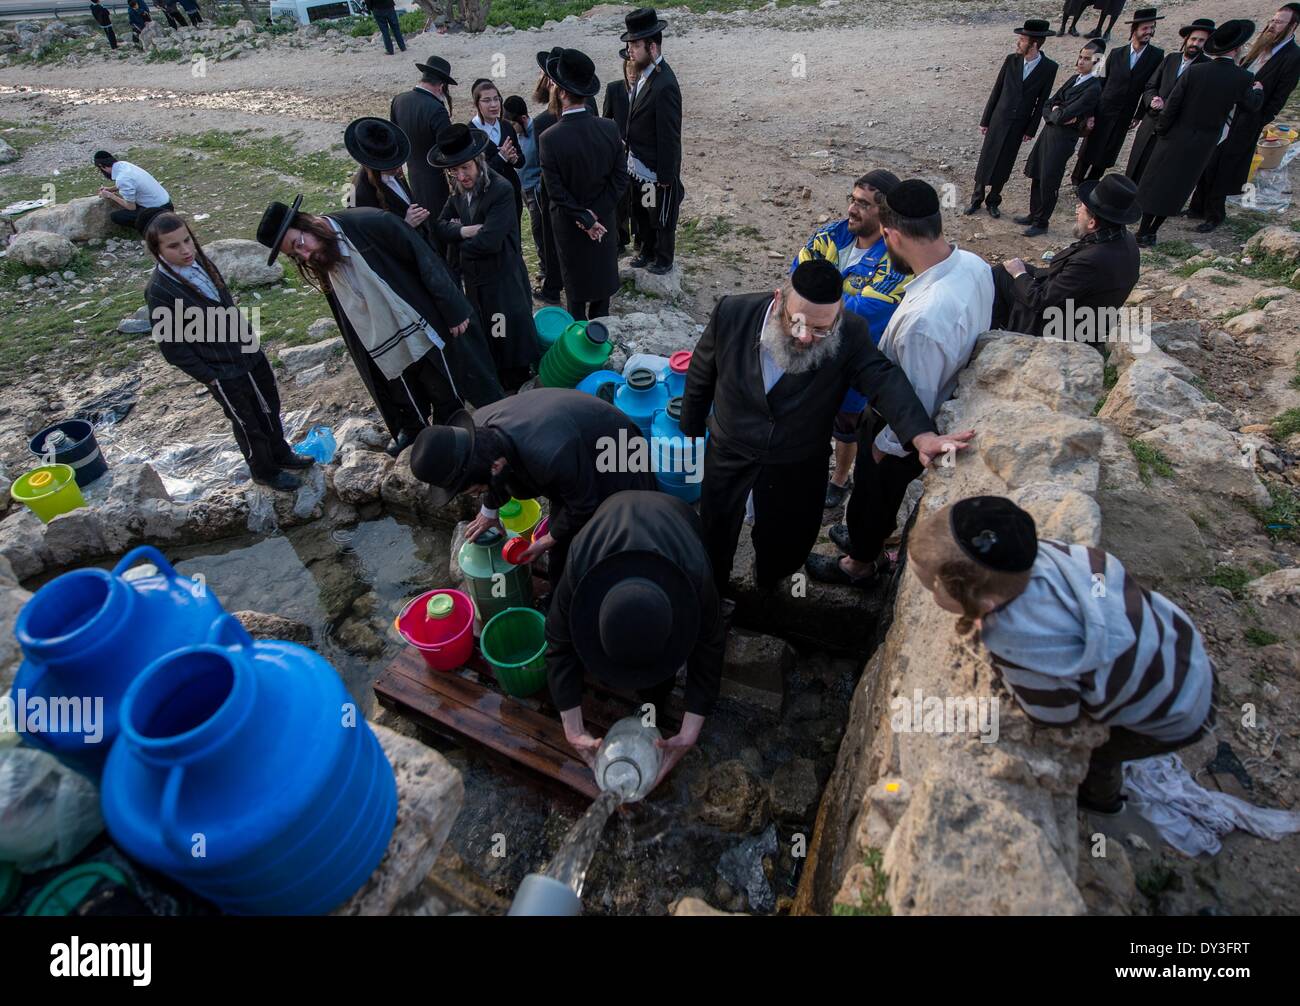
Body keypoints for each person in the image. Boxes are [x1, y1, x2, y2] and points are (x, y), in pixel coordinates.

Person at [681, 256, 973, 596]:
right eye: (798, 323)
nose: (806, 338)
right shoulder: (733, 313)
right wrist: (690, 433)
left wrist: (921, 436)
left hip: (797, 462)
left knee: (786, 542)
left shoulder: (850, 333)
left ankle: (769, 588)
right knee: (716, 531)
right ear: (779, 301)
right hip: (730, 449)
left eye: (822, 330)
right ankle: (713, 596)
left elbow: (882, 379)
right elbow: (701, 373)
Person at [908, 495, 1215, 816]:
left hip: (1176, 713)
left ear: (983, 602)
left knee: (1100, 755)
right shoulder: (1046, 554)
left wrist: (1015, 688)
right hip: (1185, 655)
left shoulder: (1016, 638)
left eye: (933, 590)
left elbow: (1055, 715)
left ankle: (1103, 804)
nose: (931, 598)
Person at [808, 180, 993, 589]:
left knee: (876, 497)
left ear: (890, 234)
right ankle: (860, 538)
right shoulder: (974, 265)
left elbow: (916, 399)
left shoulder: (924, 321)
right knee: (869, 503)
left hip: (898, 430)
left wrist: (883, 446)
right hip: (940, 397)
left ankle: (859, 563)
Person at [256, 196, 503, 456]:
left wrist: (454, 310)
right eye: (296, 255)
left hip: (416, 319)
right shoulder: (324, 257)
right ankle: (415, 430)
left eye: (300, 244)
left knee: (440, 380)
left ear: (309, 223)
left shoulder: (371, 222)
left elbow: (425, 261)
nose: (306, 255)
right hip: (378, 336)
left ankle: (452, 431)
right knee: (399, 385)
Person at [544, 491, 725, 788]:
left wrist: (690, 729)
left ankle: (656, 695)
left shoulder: (696, 575)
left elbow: (710, 643)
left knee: (659, 678)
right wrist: (572, 729)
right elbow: (558, 640)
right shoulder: (582, 560)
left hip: (677, 516)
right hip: (612, 508)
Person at [409, 388, 657, 582]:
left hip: (615, 452)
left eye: (476, 491)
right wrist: (489, 513)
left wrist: (546, 541)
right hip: (571, 444)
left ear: (496, 467)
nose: (478, 496)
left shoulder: (550, 455)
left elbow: (582, 506)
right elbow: (487, 469)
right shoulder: (481, 434)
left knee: (615, 527)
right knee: (566, 542)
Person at [144, 213, 314, 492]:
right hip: (220, 369)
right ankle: (264, 471)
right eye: (173, 246)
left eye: (187, 240)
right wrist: (209, 376)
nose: (185, 250)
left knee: (269, 406)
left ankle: (281, 453)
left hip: (248, 353)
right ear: (158, 251)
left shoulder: (201, 262)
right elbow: (172, 347)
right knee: (248, 422)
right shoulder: (160, 291)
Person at [792, 169, 910, 509]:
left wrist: (817, 302)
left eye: (863, 204)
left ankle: (840, 479)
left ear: (885, 212)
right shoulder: (834, 234)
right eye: (852, 200)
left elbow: (866, 310)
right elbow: (799, 273)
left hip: (854, 359)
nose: (852, 210)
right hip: (813, 346)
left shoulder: (896, 258)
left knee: (846, 424)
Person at [431, 125, 541, 392]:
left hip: (502, 280)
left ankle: (515, 381)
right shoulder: (458, 190)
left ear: (478, 161)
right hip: (477, 282)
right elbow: (440, 226)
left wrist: (457, 242)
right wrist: (464, 231)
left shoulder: (500, 190)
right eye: (454, 171)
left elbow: (490, 241)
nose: (461, 175)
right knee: (492, 334)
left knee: (505, 333)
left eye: (465, 168)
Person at [1136, 21, 1265, 245]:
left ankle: (1143, 229)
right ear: (1236, 49)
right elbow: (1250, 106)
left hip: (1175, 136)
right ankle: (1154, 229)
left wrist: (1161, 129)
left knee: (1158, 181)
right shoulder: (1242, 77)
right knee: (1179, 186)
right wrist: (1258, 91)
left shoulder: (1196, 71)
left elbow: (1173, 104)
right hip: (1204, 142)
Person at [538, 48, 629, 321]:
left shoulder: (549, 138)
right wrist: (596, 214)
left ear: (562, 93)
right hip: (604, 221)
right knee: (602, 291)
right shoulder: (609, 128)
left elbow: (556, 191)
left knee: (575, 295)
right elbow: (619, 178)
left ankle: (577, 349)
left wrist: (583, 218)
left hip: (569, 225)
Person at [993, 173, 1142, 340]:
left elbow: (1042, 301)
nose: (1077, 209)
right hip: (1089, 314)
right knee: (1014, 271)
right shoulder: (1126, 239)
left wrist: (1019, 274)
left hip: (1063, 328)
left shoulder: (1090, 261)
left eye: (1082, 208)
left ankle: (998, 338)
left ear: (1092, 223)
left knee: (1001, 275)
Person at [1191, 5, 1300, 232]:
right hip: (1226, 112)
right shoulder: (1260, 46)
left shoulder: (1293, 57)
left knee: (1226, 165)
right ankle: (1196, 206)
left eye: (1279, 22)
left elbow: (1279, 97)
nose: (1272, 25)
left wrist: (1259, 119)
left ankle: (1214, 213)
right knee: (1208, 158)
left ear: (1293, 27)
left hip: (1249, 117)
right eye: (1272, 19)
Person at [965, 20, 1058, 220]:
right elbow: (997, 90)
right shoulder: (1011, 60)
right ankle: (976, 198)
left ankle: (993, 200)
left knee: (1006, 161)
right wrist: (986, 119)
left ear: (1034, 44)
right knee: (987, 157)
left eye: (1022, 40)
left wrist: (1031, 129)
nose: (1018, 43)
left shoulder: (1049, 68)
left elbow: (1042, 100)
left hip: (1019, 123)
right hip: (999, 117)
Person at [1017, 40, 1105, 236]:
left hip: (1063, 140)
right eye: (1080, 57)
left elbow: (1063, 114)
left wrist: (1058, 113)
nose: (1081, 62)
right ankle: (1034, 213)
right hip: (1050, 133)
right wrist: (1056, 113)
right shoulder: (1075, 78)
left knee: (1050, 179)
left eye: (1086, 59)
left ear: (1096, 62)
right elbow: (1049, 104)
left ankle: (1042, 221)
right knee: (1037, 174)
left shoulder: (1093, 88)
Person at [622, 7, 683, 274]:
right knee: (644, 211)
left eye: (635, 45)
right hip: (639, 162)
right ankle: (646, 250)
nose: (630, 51)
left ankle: (663, 257)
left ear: (653, 47)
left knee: (660, 215)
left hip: (657, 169)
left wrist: (667, 175)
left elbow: (670, 135)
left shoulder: (665, 84)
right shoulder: (643, 74)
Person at [1072, 8, 1165, 184]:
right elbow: (1098, 82)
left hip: (1126, 112)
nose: (1149, 32)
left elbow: (1151, 87)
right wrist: (1090, 111)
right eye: (1145, 28)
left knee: (1111, 148)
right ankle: (1077, 179)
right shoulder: (1116, 53)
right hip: (1104, 108)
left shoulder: (1157, 56)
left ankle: (1093, 181)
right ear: (1135, 30)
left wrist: (1139, 114)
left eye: (1152, 28)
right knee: (1091, 145)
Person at [1125, 17, 1212, 184]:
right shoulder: (1171, 59)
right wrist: (1152, 100)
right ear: (1187, 40)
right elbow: (1150, 85)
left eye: (1201, 41)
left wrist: (1168, 106)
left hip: (1173, 128)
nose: (1196, 43)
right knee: (1135, 163)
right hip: (1150, 122)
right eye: (1193, 39)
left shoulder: (1205, 68)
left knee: (1154, 170)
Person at [390, 55, 456, 257]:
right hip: (436, 181)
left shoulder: (399, 101)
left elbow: (395, 140)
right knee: (441, 227)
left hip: (410, 178)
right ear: (441, 86)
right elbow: (450, 150)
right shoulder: (436, 109)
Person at [346, 116, 435, 251]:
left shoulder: (393, 172)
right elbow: (368, 244)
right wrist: (406, 225)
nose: (399, 168)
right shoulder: (357, 195)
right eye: (392, 164)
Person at [502, 95, 547, 292]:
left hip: (535, 190)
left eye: (513, 123)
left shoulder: (537, 132)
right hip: (523, 190)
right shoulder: (516, 136)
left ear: (521, 118)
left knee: (540, 231)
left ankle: (546, 269)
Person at [469, 78, 525, 223]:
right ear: (477, 104)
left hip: (512, 193)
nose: (493, 105)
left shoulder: (506, 126)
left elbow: (521, 161)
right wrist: (501, 157)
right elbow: (475, 172)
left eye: (496, 99)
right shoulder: (470, 133)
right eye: (487, 100)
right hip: (489, 198)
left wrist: (514, 159)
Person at [603, 47, 639, 252]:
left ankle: (640, 238)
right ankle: (619, 239)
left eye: (636, 70)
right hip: (620, 154)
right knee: (620, 197)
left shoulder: (647, 89)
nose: (632, 74)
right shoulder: (614, 89)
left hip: (640, 154)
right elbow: (606, 121)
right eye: (629, 69)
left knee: (642, 198)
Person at [94, 151, 173, 234]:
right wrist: (110, 189)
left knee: (116, 216)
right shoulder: (124, 165)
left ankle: (150, 230)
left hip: (158, 211)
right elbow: (129, 183)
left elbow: (131, 207)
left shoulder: (122, 178)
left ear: (102, 166)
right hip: (167, 203)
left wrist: (110, 196)